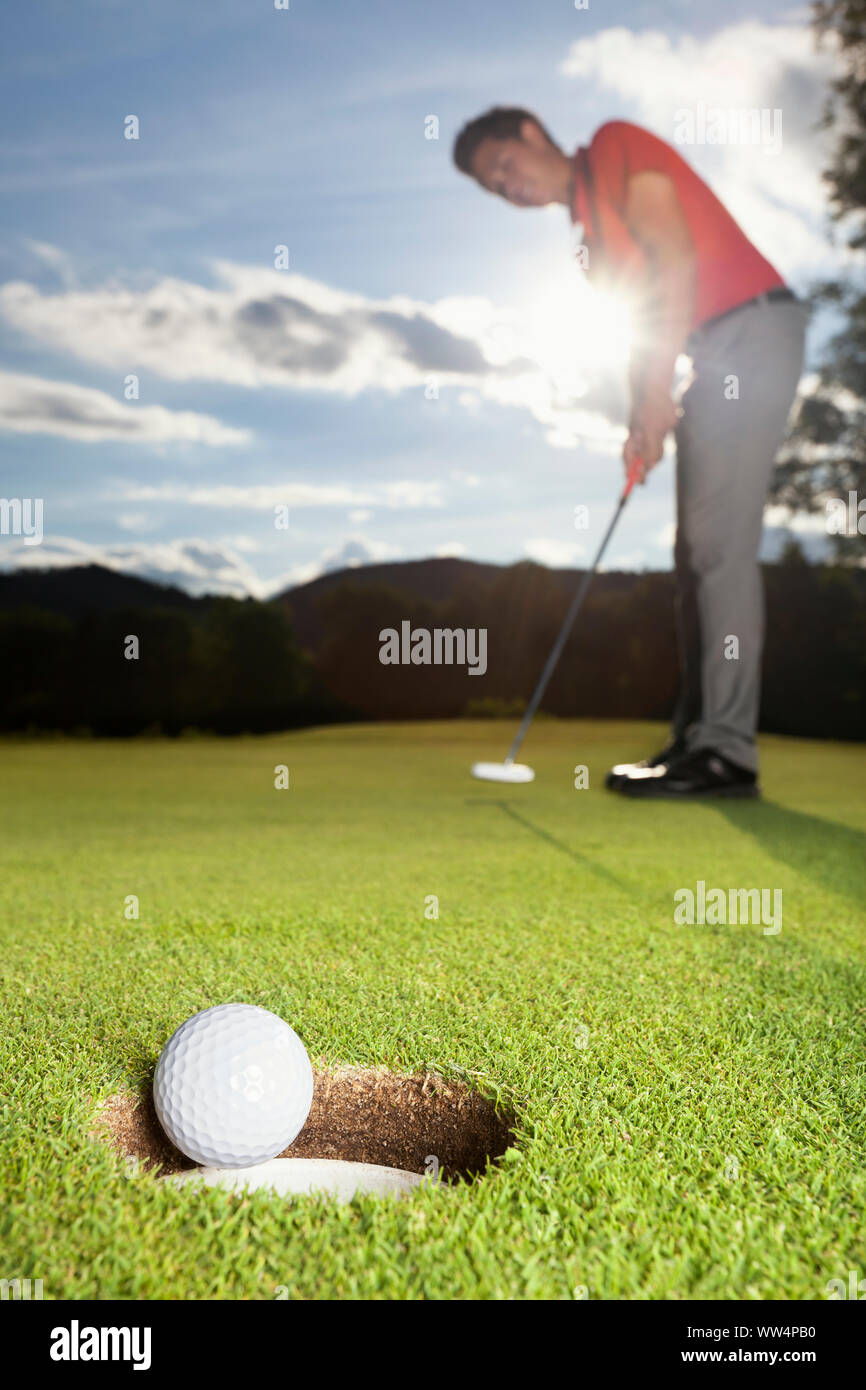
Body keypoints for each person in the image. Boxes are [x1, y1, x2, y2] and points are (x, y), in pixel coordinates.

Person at [453, 108, 806, 799]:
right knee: (693, 555)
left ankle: (727, 753)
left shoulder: (614, 145)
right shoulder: (589, 244)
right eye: (493, 187)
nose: (507, 187)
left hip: (751, 331)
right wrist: (639, 418)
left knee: (718, 549)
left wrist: (655, 394)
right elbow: (638, 328)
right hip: (711, 354)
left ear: (531, 133)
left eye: (502, 165)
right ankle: (697, 739)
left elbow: (674, 257)